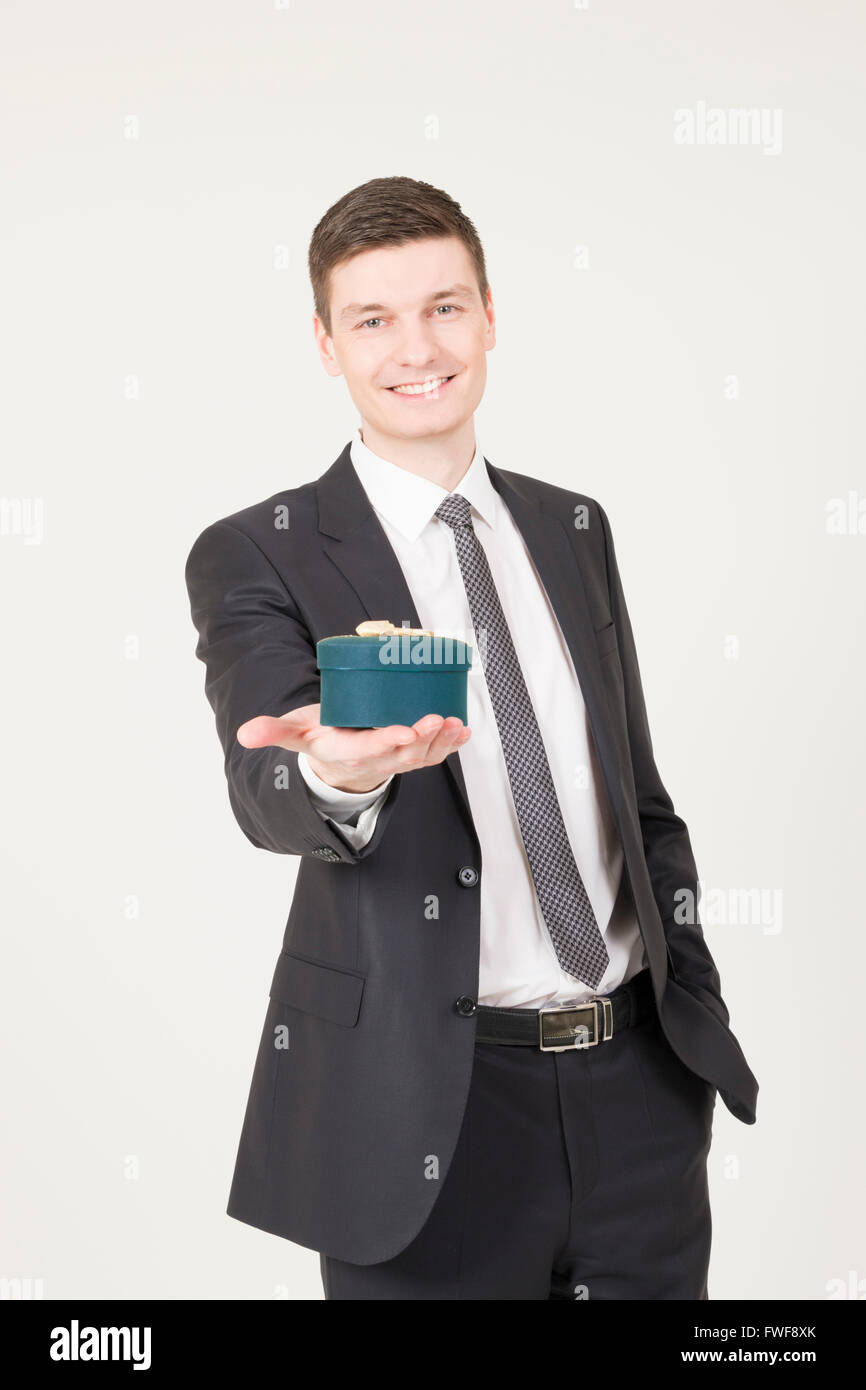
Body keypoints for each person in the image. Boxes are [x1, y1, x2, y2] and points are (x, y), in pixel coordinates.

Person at [184, 175, 758, 1300]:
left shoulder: (570, 526)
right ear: (325, 344)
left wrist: (688, 1011)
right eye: (372, 319)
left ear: (488, 318)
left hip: (635, 1093)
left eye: (444, 307)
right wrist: (331, 776)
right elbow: (266, 782)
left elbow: (636, 798)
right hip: (418, 1114)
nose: (416, 348)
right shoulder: (259, 550)